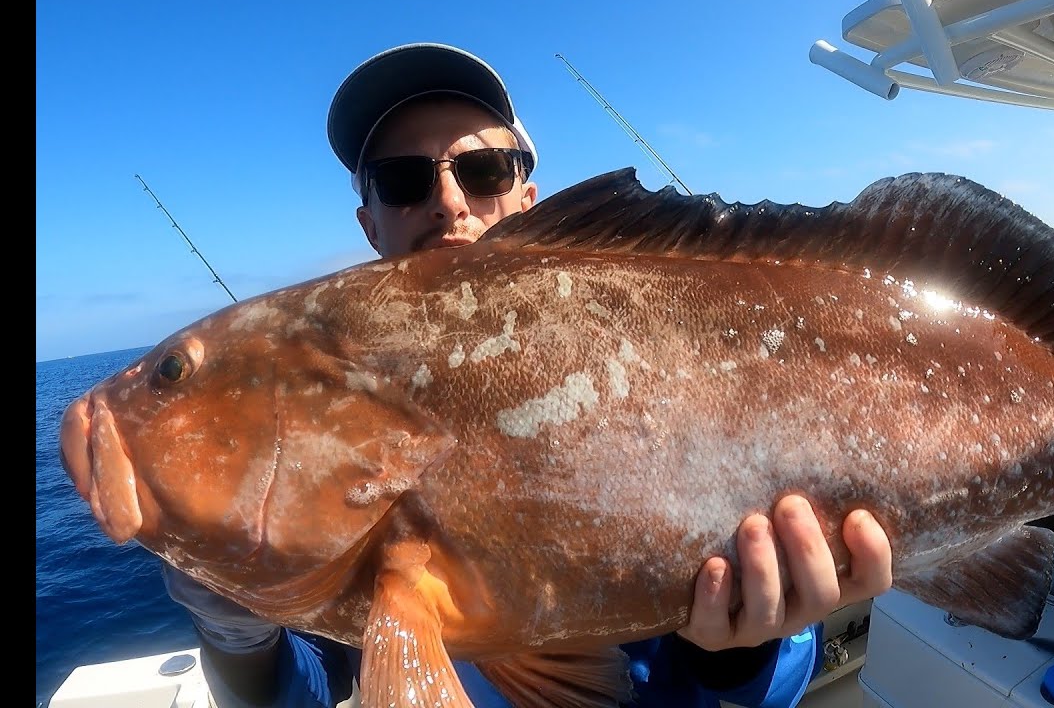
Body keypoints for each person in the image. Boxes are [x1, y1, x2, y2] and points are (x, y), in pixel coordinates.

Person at [162, 42, 895, 708]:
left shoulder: (658, 339)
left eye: (484, 172)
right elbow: (305, 694)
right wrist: (237, 634)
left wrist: (747, 647)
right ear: (370, 226)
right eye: (401, 180)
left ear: (526, 198)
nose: (449, 203)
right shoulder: (337, 430)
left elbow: (778, 683)